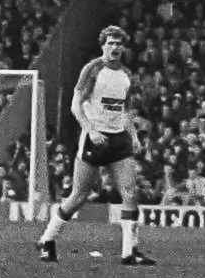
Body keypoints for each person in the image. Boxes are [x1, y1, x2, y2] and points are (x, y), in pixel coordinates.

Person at [37, 24, 153, 265]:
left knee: (130, 192)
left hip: (118, 141)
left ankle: (129, 252)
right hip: (94, 139)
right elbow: (75, 104)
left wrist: (133, 135)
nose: (115, 47)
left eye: (119, 43)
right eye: (111, 43)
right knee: (79, 196)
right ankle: (47, 240)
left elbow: (125, 111)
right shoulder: (92, 70)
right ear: (103, 46)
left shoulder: (126, 76)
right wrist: (90, 129)